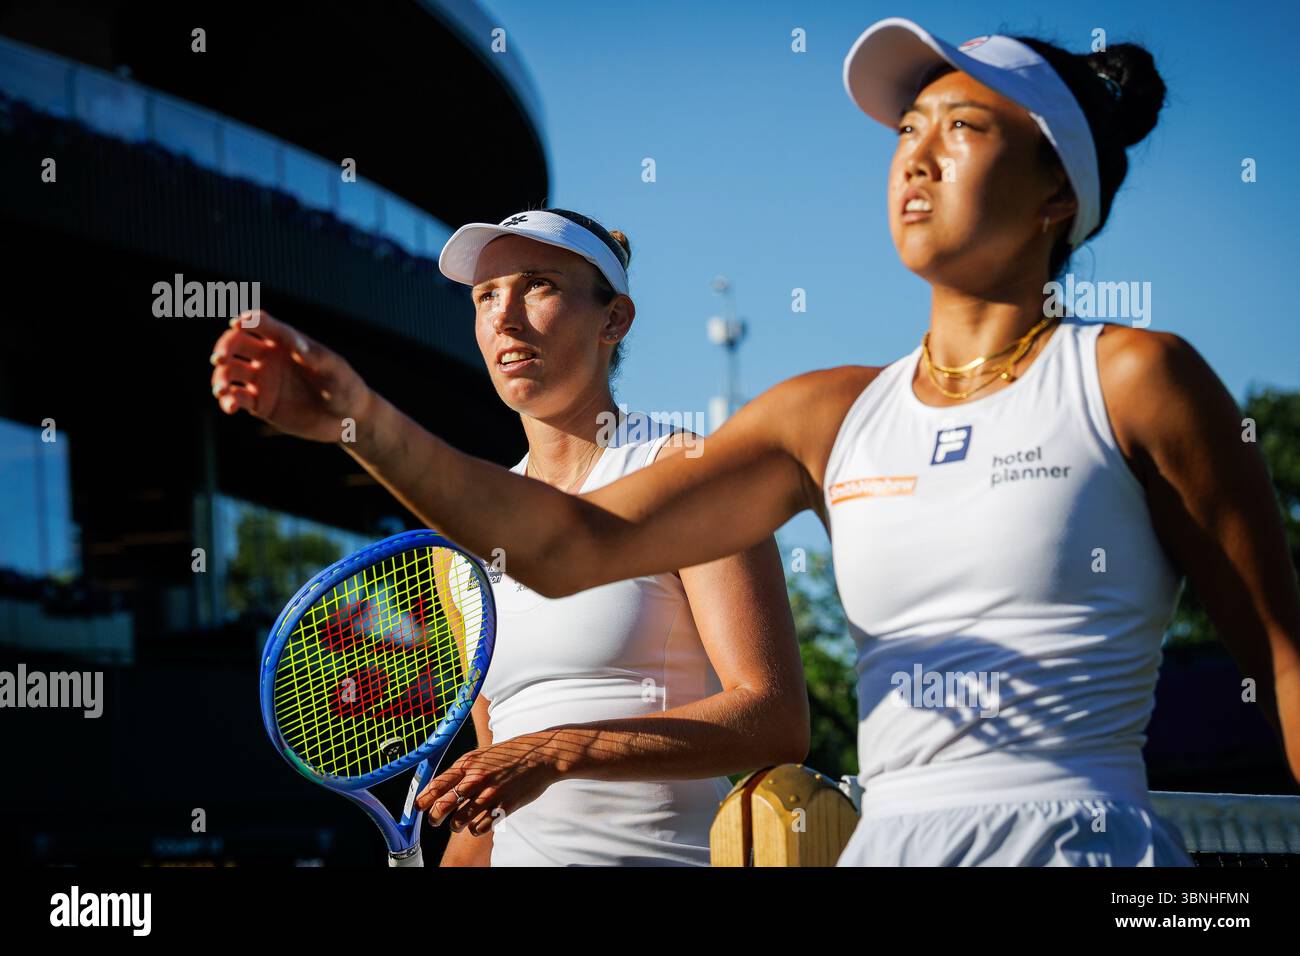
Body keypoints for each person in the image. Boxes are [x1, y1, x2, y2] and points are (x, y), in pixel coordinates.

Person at [212, 20, 1300, 866]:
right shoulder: (820, 412)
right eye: (905, 131)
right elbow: (562, 545)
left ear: (1058, 189)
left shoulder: (1135, 376)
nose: (914, 158)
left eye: (961, 129)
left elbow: (1284, 668)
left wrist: (572, 748)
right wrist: (355, 417)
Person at [210, 208, 808, 866]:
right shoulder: (463, 539)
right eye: (486, 295)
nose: (505, 315)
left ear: (615, 320)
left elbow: (774, 720)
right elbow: (488, 798)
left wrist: (559, 750)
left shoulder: (691, 476)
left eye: (539, 285)